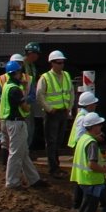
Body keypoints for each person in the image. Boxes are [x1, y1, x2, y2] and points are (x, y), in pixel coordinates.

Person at [0, 62, 43, 190]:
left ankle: (34, 179)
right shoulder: (14, 89)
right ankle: (12, 182)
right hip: (17, 123)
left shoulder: (7, 86)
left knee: (23, 153)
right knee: (17, 154)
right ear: (15, 73)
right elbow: (25, 106)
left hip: (11, 122)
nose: (21, 75)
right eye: (19, 72)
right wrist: (28, 102)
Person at [35, 50, 75, 178]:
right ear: (52, 63)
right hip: (52, 114)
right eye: (58, 62)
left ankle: (55, 165)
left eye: (62, 62)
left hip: (63, 112)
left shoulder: (66, 75)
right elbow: (39, 94)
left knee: (58, 140)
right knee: (51, 141)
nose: (61, 65)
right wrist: (48, 108)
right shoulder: (46, 77)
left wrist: (69, 107)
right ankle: (53, 168)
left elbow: (71, 92)